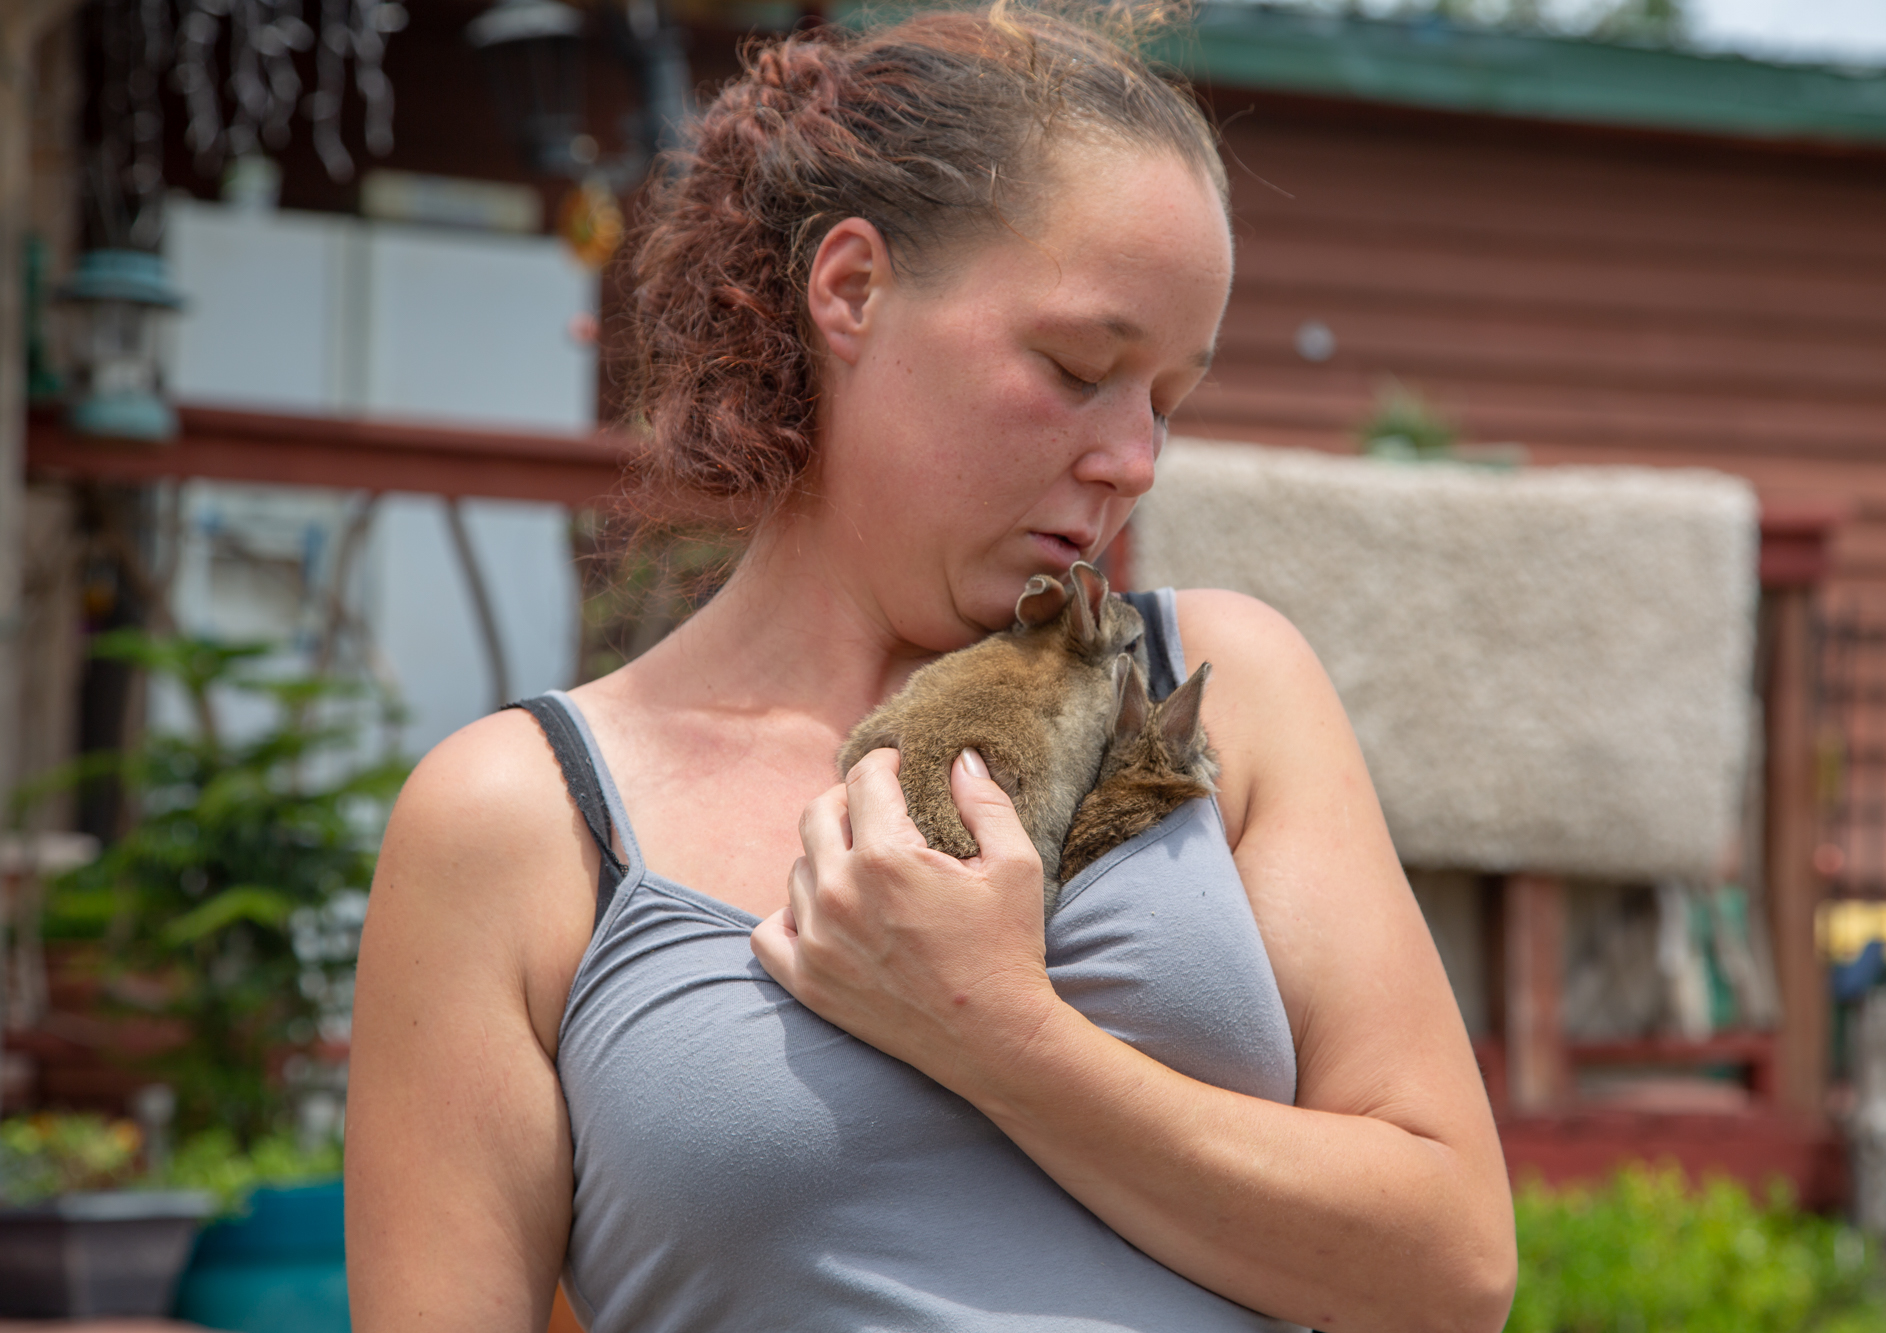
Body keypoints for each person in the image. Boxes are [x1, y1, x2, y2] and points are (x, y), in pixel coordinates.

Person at [344, 6, 1516, 1331]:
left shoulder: (1216, 687)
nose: (1134, 456)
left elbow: (1453, 1272)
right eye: (1081, 367)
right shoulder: (520, 822)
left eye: (1167, 401)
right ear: (851, 289)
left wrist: (999, 1033)